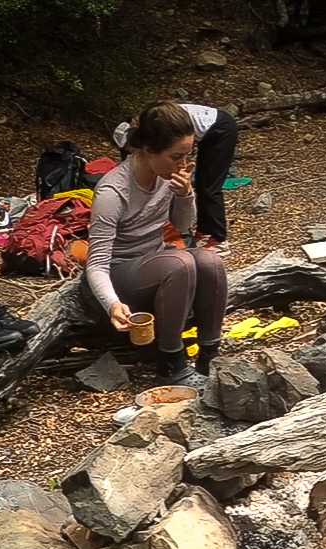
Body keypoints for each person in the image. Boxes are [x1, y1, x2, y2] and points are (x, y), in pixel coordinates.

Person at [88, 100, 228, 388]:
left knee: (210, 260)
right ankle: (170, 364)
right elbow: (97, 263)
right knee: (181, 263)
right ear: (149, 151)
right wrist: (112, 304)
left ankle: (209, 356)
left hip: (156, 263)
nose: (183, 164)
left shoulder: (166, 177)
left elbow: (179, 226)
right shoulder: (113, 192)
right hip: (119, 274)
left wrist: (185, 195)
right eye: (176, 157)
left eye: (188, 156)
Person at [112, 101, 239, 247]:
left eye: (129, 148)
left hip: (221, 129)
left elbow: (175, 146)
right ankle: (204, 231)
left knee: (210, 186)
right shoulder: (151, 123)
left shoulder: (160, 123)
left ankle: (218, 238)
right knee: (201, 183)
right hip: (209, 132)